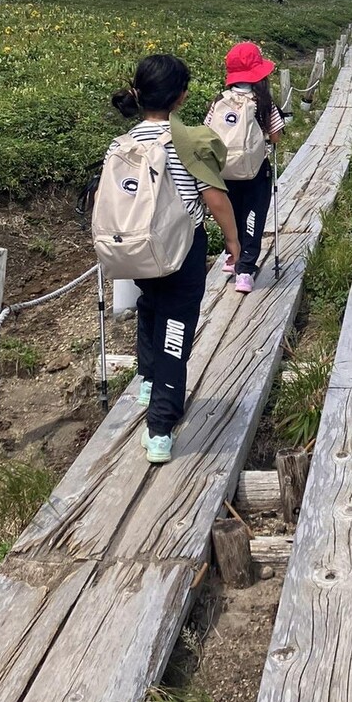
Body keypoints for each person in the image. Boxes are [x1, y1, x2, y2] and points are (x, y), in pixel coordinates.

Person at [106, 54, 240, 464]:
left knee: (150, 304)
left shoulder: (121, 144)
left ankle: (148, 380)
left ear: (139, 93)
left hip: (137, 249)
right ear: (181, 97)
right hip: (181, 250)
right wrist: (233, 241)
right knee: (176, 330)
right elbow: (214, 198)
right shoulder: (188, 143)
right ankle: (160, 428)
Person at [205, 42, 285, 294]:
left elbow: (208, 131)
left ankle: (232, 257)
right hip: (255, 172)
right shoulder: (263, 102)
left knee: (230, 215)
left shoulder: (220, 100)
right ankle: (245, 271)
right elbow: (275, 136)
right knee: (252, 217)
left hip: (224, 171)